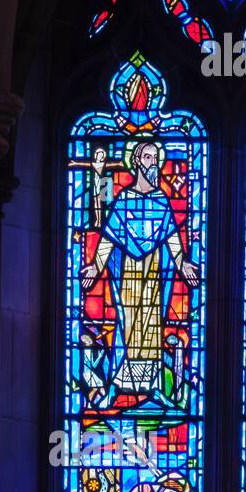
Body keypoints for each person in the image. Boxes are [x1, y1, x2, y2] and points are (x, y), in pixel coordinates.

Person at [79, 140, 199, 395]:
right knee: (129, 322)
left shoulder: (161, 199)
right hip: (128, 272)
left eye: (155, 158)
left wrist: (182, 262)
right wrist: (96, 266)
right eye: (146, 157)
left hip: (154, 271)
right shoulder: (123, 199)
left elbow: (171, 237)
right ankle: (126, 381)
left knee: (151, 323)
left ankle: (150, 382)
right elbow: (109, 236)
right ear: (136, 161)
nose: (152, 162)